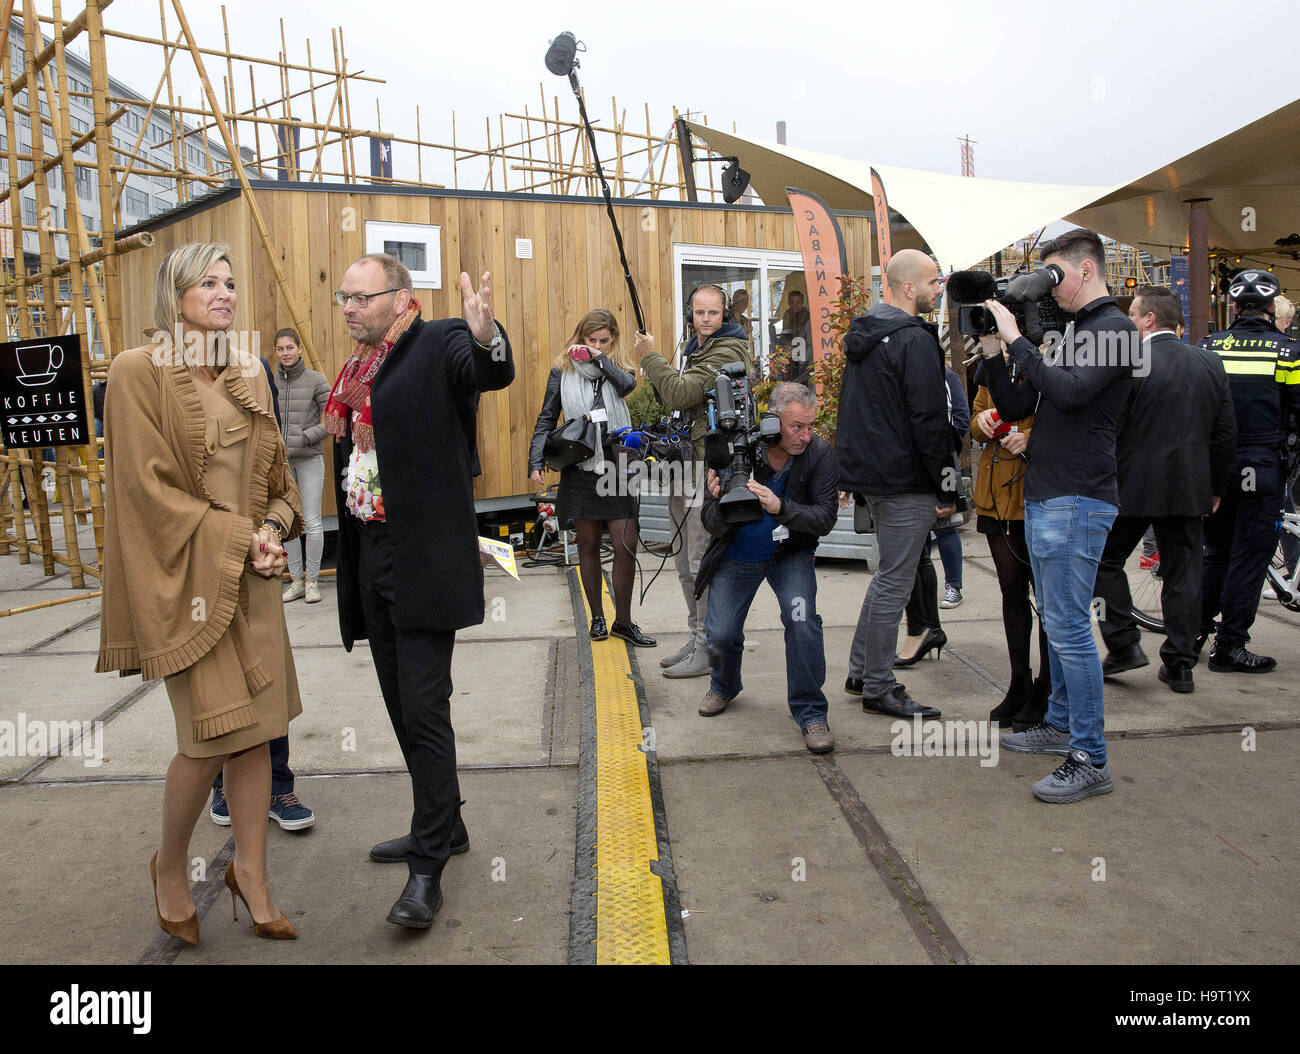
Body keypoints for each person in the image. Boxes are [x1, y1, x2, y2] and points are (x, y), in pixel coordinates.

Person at [97, 242, 303, 944]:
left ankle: (253, 873)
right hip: (185, 580)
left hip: (255, 581)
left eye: (230, 281)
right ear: (174, 293)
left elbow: (278, 479)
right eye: (206, 282)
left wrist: (274, 528)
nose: (224, 292)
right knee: (211, 736)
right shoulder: (136, 372)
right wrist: (238, 538)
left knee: (255, 737)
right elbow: (143, 491)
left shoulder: (249, 370)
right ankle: (170, 866)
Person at [327, 253, 513, 929]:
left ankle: (427, 867)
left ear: (399, 296)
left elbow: (485, 370)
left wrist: (487, 334)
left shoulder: (437, 343)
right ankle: (444, 823)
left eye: (359, 296)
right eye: (342, 297)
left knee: (426, 711)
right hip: (372, 552)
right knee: (403, 707)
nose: (348, 307)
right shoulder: (357, 370)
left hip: (425, 558)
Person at [980, 228, 1135, 804]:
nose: (1049, 287)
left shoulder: (1115, 330)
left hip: (1077, 496)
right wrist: (997, 353)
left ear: (1087, 271)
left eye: (1055, 275)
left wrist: (1019, 338)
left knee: (1069, 628)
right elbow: (1022, 404)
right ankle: (1061, 723)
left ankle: (1090, 756)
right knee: (1057, 617)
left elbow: (1069, 393)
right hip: (1050, 493)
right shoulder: (1073, 333)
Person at [1093, 287, 1236, 693]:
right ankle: (1180, 664)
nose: (1130, 322)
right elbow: (1225, 434)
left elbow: (1112, 425)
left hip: (1131, 485)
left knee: (1104, 560)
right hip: (1189, 487)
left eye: (1134, 315)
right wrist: (1215, 486)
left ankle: (1123, 642)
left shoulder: (1131, 363)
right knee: (1184, 573)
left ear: (1150, 319)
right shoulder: (1210, 364)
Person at [838, 248, 957, 719]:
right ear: (909, 287)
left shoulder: (867, 336)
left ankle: (861, 670)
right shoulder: (914, 340)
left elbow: (852, 414)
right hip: (906, 480)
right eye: (932, 282)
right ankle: (879, 687)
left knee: (887, 575)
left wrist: (854, 475)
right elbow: (931, 421)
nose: (937, 289)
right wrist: (947, 486)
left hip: (878, 478)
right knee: (895, 580)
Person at [693, 383, 839, 752]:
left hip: (789, 555)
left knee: (802, 620)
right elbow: (709, 521)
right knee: (721, 632)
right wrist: (717, 500)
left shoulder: (819, 454)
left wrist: (780, 507)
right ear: (772, 420)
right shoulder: (734, 446)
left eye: (811, 425)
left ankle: (810, 712)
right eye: (796, 427)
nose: (806, 435)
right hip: (737, 554)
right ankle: (725, 685)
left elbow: (824, 518)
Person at [635, 285, 752, 678]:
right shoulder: (695, 348)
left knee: (701, 559)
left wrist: (650, 354)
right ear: (691, 314)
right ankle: (696, 634)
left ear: (725, 316)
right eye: (699, 313)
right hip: (684, 465)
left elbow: (681, 393)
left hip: (706, 468)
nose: (705, 319)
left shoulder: (727, 349)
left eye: (713, 313)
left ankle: (709, 646)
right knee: (683, 559)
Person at [528, 308, 655, 646]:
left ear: (612, 339)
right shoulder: (562, 370)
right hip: (581, 464)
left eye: (604, 340)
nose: (596, 344)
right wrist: (535, 458)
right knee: (588, 545)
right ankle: (598, 618)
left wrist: (600, 359)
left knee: (626, 544)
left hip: (617, 463)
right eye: (590, 339)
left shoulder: (617, 368)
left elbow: (627, 385)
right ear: (579, 336)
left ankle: (624, 622)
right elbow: (546, 417)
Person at [1198, 270, 1300, 672]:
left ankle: (1192, 635)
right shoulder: (1288, 352)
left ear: (1235, 307)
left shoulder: (1210, 348)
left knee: (1215, 553)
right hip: (1263, 466)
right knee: (1250, 558)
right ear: (1272, 307)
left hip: (1217, 469)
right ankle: (1231, 647)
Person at [970, 360, 1052, 729]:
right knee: (1011, 592)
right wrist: (983, 422)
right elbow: (972, 422)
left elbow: (1076, 423)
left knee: (1049, 601)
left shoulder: (1051, 362)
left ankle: (1048, 688)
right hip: (996, 495)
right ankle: (1019, 681)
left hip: (1039, 494)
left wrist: (1032, 438)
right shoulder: (993, 367)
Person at [273, 328, 331, 606]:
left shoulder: (316, 380)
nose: (285, 353)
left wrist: (307, 437)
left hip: (308, 459)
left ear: (299, 349)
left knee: (311, 521)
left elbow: (333, 416)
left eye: (289, 347)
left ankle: (312, 582)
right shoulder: (271, 382)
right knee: (288, 524)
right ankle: (295, 581)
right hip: (281, 464)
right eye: (280, 349)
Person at [935, 367, 968, 610]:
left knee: (946, 525)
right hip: (911, 463)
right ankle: (920, 588)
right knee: (918, 529)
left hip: (943, 458)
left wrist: (948, 450)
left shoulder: (948, 378)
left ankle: (953, 586)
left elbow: (962, 418)